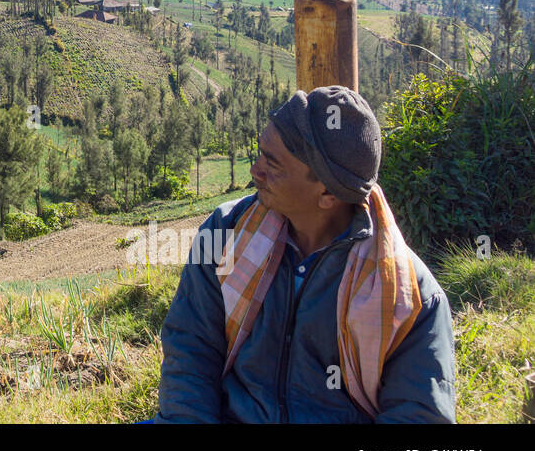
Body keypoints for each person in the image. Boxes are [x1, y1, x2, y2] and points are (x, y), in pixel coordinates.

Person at [156, 85, 455, 423]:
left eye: (272, 164)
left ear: (327, 194)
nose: (255, 170)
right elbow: (191, 353)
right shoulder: (225, 234)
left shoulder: (408, 298)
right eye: (260, 153)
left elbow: (417, 415)